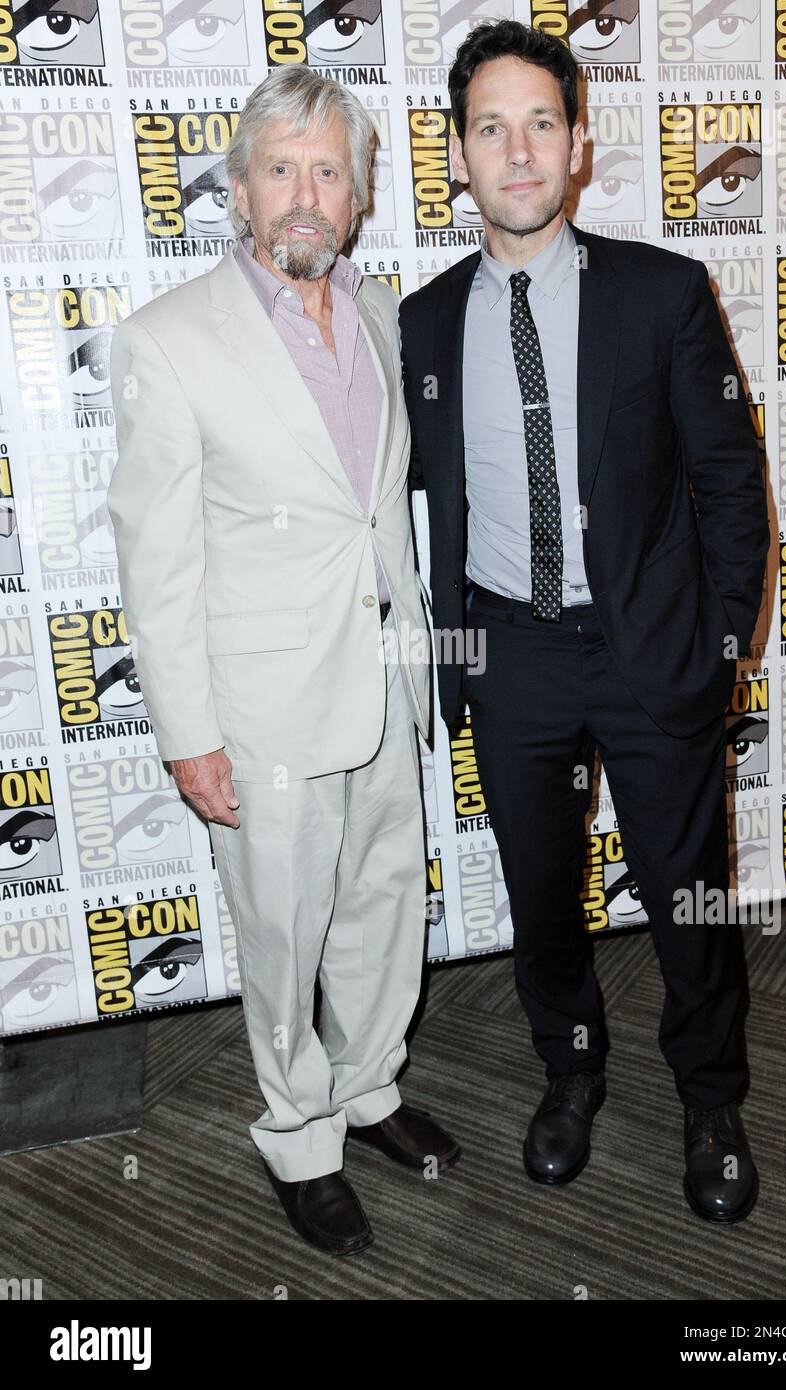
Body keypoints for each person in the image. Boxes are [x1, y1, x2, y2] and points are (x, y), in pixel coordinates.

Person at [399, 19, 770, 1223]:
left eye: (540, 124)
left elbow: (730, 487)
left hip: (650, 647)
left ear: (578, 149)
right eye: (490, 128)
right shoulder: (422, 322)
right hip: (510, 654)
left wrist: (717, 644)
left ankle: (711, 1097)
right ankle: (571, 1070)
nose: (517, 151)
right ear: (457, 154)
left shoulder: (662, 293)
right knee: (541, 891)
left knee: (687, 891)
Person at [107, 64, 459, 1259]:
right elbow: (157, 559)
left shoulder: (377, 313)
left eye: (329, 171)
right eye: (280, 169)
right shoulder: (168, 340)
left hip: (379, 684)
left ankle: (368, 1092)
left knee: (377, 911)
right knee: (283, 935)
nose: (305, 194)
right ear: (241, 192)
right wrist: (188, 730)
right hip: (258, 712)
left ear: (356, 198)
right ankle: (300, 1134)